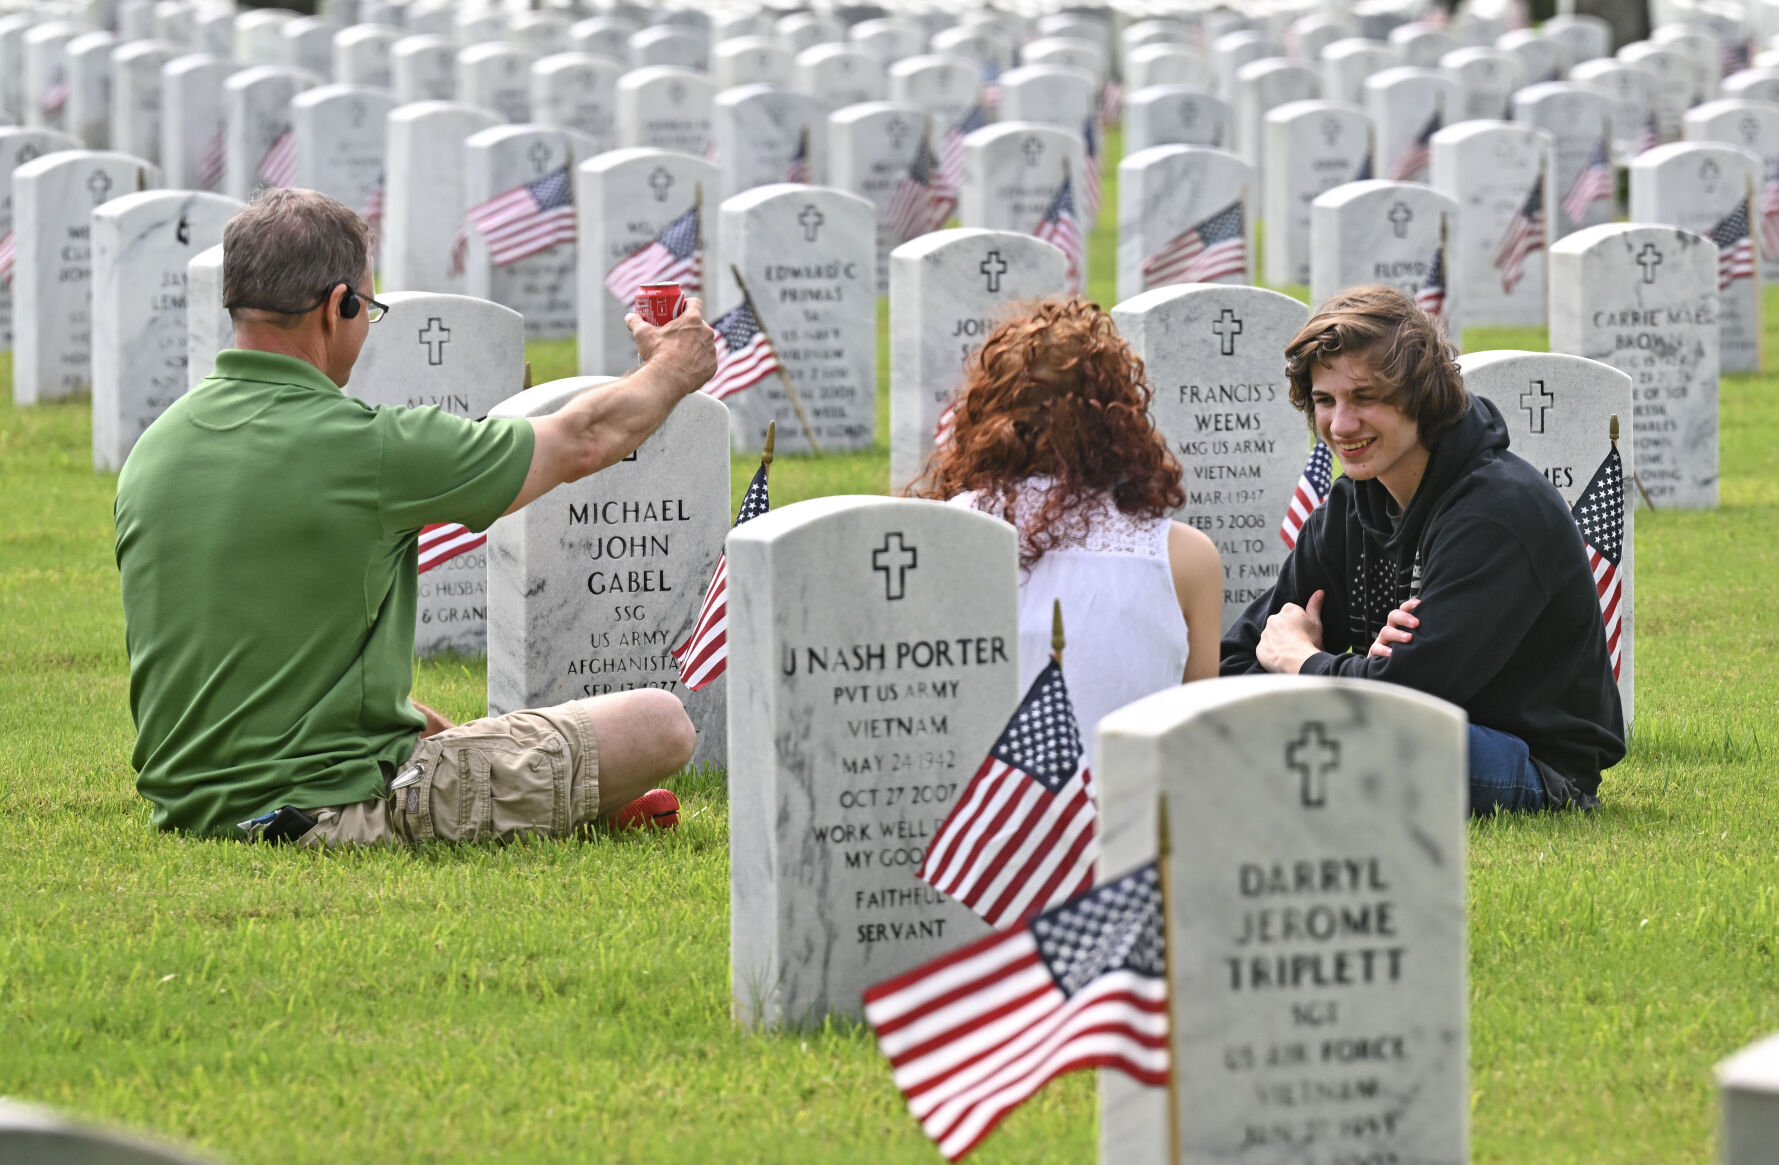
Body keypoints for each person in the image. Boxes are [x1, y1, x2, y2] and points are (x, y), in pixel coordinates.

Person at [114, 189, 718, 844]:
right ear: (336, 306)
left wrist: (439, 732)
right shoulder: (363, 445)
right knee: (660, 723)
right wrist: (675, 366)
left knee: (448, 733)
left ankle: (576, 800)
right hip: (328, 813)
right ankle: (575, 800)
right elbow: (583, 438)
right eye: (365, 309)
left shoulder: (156, 448)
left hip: (190, 809)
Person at [1220, 285, 1625, 812]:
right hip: (1396, 725)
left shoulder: (1499, 511)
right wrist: (1355, 672)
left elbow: (1408, 701)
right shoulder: (1351, 506)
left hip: (1528, 764)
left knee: (1333, 742)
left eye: (1364, 397)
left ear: (1421, 396)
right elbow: (1232, 661)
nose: (1341, 425)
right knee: (1214, 722)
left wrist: (1303, 661)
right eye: (1325, 400)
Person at [913, 299, 1222, 756]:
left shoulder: (938, 535)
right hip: (1131, 815)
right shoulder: (1188, 557)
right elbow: (1198, 736)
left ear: (989, 412)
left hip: (985, 818)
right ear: (1120, 418)